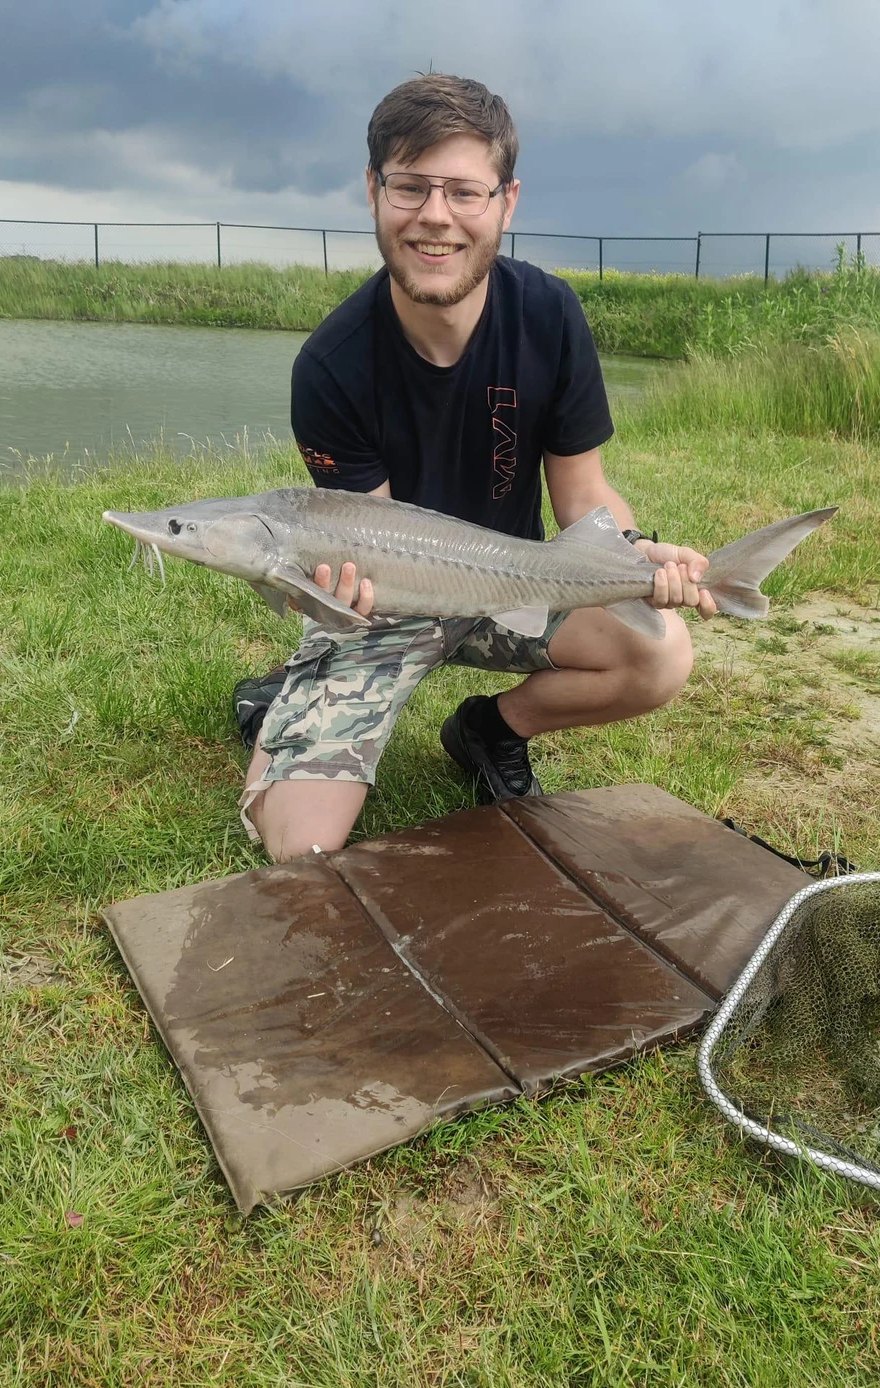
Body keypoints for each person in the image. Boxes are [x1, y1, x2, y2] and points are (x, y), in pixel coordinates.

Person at [235, 73, 716, 862]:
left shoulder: (551, 316)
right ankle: (284, 702)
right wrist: (333, 600)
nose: (435, 216)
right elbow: (369, 546)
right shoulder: (330, 365)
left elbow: (585, 493)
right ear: (372, 190)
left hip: (519, 591)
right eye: (410, 186)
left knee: (659, 653)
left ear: (506, 202)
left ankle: (490, 730)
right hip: (388, 608)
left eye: (464, 191)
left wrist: (635, 557)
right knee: (298, 849)